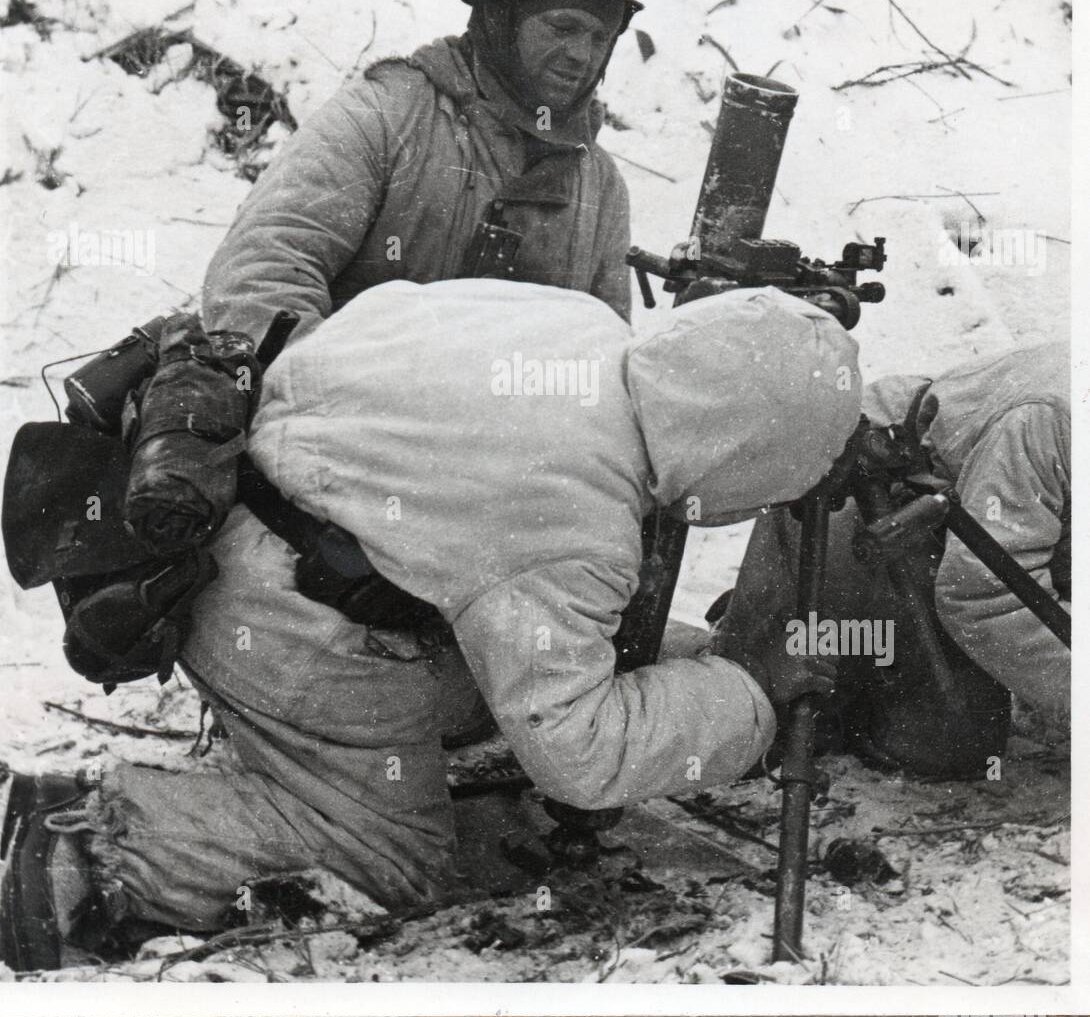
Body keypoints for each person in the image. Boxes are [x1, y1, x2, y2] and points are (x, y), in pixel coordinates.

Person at [1, 278, 862, 969]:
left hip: (231, 511)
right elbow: (578, 755)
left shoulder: (576, 324)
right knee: (393, 861)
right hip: (278, 617)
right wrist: (752, 697)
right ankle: (72, 848)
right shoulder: (579, 515)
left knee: (527, 670)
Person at [202, 0, 643, 346]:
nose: (581, 55)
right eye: (562, 27)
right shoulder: (387, 115)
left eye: (600, 37)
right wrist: (325, 395)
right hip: (350, 405)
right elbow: (263, 272)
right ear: (499, 17)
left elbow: (605, 347)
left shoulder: (599, 187)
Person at [713, 341, 1071, 776]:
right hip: (869, 494)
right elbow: (984, 598)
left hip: (978, 531)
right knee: (944, 747)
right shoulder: (1050, 419)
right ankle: (776, 628)